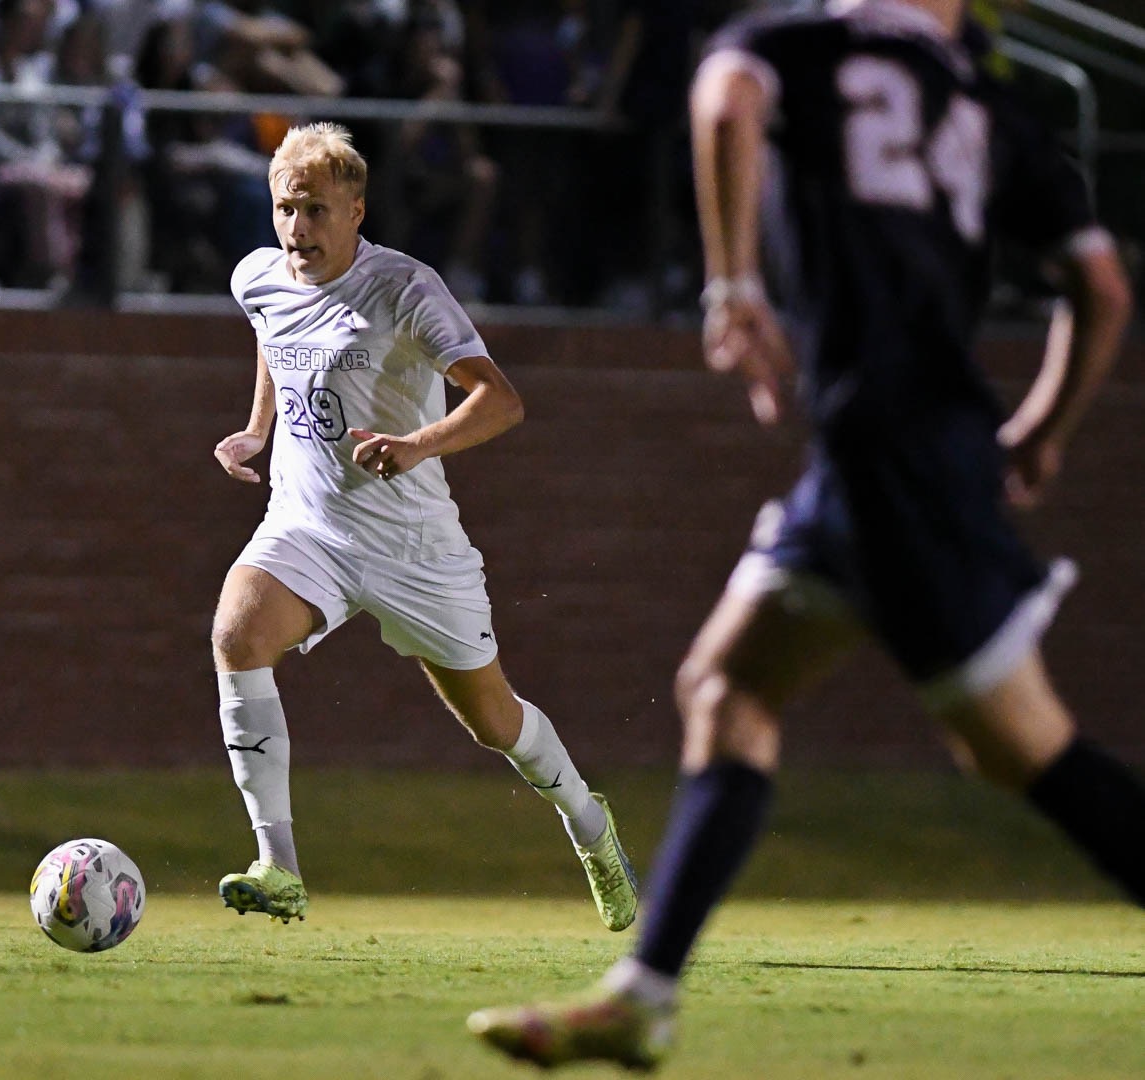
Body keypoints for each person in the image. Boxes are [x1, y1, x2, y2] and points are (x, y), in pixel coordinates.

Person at [468, 0, 1143, 1069]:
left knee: (1022, 746)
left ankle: (645, 992)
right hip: (899, 453)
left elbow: (725, 96)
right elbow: (1100, 289)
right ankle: (645, 994)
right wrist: (1043, 431)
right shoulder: (994, 106)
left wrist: (733, 283)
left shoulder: (807, 43)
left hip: (895, 458)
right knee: (729, 690)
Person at [210, 121, 638, 932]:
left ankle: (589, 822)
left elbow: (500, 400)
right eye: (284, 209)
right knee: (236, 634)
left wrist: (415, 446)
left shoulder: (405, 289)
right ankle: (280, 866)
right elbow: (274, 337)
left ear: (358, 211)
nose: (296, 229)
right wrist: (258, 430)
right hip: (307, 526)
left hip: (414, 549)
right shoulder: (258, 277)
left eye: (315, 211)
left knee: (494, 722)